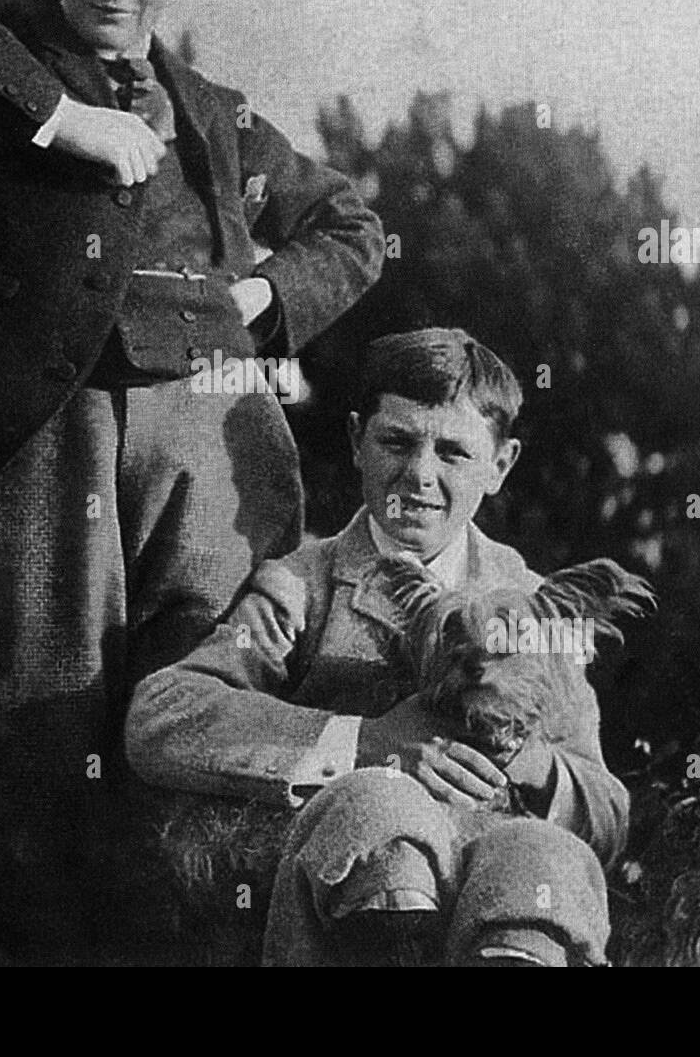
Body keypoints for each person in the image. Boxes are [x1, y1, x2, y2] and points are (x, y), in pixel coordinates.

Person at [0, 0, 384, 961]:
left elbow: (353, 228)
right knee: (35, 690)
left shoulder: (220, 117)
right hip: (50, 423)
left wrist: (259, 297)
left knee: (202, 691)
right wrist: (60, 117)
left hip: (214, 430)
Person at [126, 328, 630, 966]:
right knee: (377, 808)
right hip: (351, 893)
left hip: (485, 884)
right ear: (356, 441)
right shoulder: (303, 586)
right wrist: (360, 741)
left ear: (501, 466)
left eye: (453, 452)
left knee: (544, 859)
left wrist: (534, 764)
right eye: (396, 441)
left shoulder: (536, 605)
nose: (419, 474)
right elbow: (161, 716)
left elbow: (608, 811)